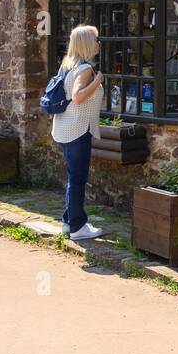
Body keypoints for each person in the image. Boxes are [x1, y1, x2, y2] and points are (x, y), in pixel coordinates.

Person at [52, 25, 107, 241]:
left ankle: (68, 221)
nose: (98, 43)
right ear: (86, 43)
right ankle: (77, 227)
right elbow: (77, 96)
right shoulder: (84, 69)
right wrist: (97, 81)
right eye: (96, 39)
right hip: (77, 130)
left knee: (73, 177)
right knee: (77, 178)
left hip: (64, 128)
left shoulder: (67, 66)